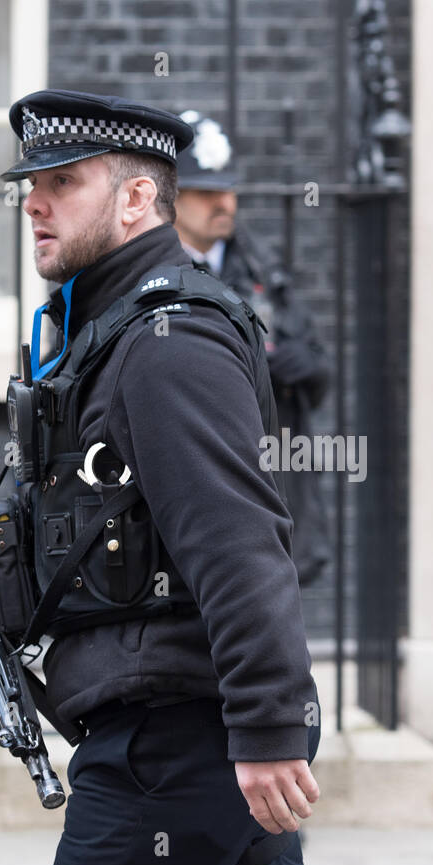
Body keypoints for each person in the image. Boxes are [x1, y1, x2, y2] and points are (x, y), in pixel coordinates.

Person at [0, 88, 356, 865]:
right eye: (31, 184)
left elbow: (238, 541)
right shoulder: (109, 329)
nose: (34, 202)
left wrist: (270, 722)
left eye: (61, 183)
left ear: (136, 201)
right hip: (193, 730)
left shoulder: (167, 340)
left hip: (176, 739)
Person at [173, 109, 333, 589]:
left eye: (229, 189)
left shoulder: (264, 268)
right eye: (206, 192)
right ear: (172, 197)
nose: (223, 202)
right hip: (194, 496)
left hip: (271, 491)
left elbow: (318, 373)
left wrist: (307, 368)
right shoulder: (155, 277)